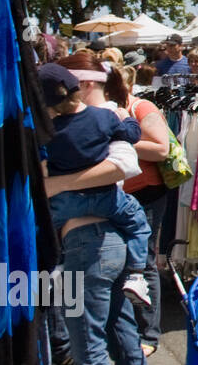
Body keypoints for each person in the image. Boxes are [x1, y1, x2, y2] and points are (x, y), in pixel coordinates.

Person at [43, 149, 158, 365]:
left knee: (91, 353)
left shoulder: (92, 121)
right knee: (124, 345)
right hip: (108, 244)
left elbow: (128, 163)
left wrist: (58, 184)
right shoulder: (105, 123)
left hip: (84, 248)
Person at [40, 61, 153, 307]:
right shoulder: (104, 117)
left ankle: (53, 269)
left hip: (65, 202)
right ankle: (136, 275)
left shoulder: (47, 132)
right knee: (139, 225)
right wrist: (128, 119)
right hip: (107, 198)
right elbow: (130, 136)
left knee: (46, 233)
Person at [105, 59, 174, 356]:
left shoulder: (141, 107)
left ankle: (149, 335)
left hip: (146, 194)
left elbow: (162, 148)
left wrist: (122, 141)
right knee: (123, 262)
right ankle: (126, 327)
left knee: (143, 261)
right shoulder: (107, 109)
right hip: (119, 195)